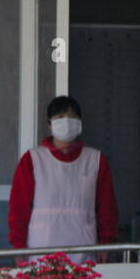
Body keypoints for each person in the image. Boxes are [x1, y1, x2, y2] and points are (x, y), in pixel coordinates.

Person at [8, 95, 119, 264]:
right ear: (49, 123)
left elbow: (107, 208)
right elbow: (18, 209)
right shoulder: (33, 160)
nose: (67, 122)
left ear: (80, 123)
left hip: (84, 251)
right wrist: (18, 246)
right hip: (40, 250)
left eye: (72, 117)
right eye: (60, 117)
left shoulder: (96, 160)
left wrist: (106, 243)